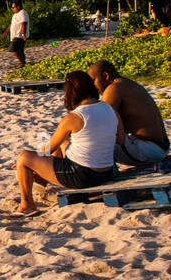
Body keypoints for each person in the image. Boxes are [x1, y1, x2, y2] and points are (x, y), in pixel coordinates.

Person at [12, 71, 124, 217]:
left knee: (24, 156)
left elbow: (47, 149)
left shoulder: (74, 116)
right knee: (63, 141)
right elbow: (121, 140)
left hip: (81, 175)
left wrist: (29, 161)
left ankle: (27, 204)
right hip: (107, 172)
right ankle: (40, 181)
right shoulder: (111, 109)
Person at [88, 60, 169, 166]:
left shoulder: (113, 88)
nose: (93, 86)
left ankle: (104, 173)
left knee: (88, 145)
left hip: (148, 149)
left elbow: (102, 121)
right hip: (161, 146)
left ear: (105, 76)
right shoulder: (126, 84)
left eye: (93, 80)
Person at [2, 0, 29, 68]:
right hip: (15, 35)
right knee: (20, 50)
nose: (12, 9)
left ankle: (22, 62)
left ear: (18, 7)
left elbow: (24, 24)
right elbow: (12, 24)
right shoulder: (16, 14)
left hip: (19, 35)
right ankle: (23, 63)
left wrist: (23, 34)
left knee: (13, 49)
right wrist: (6, 32)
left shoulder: (22, 13)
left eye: (13, 7)